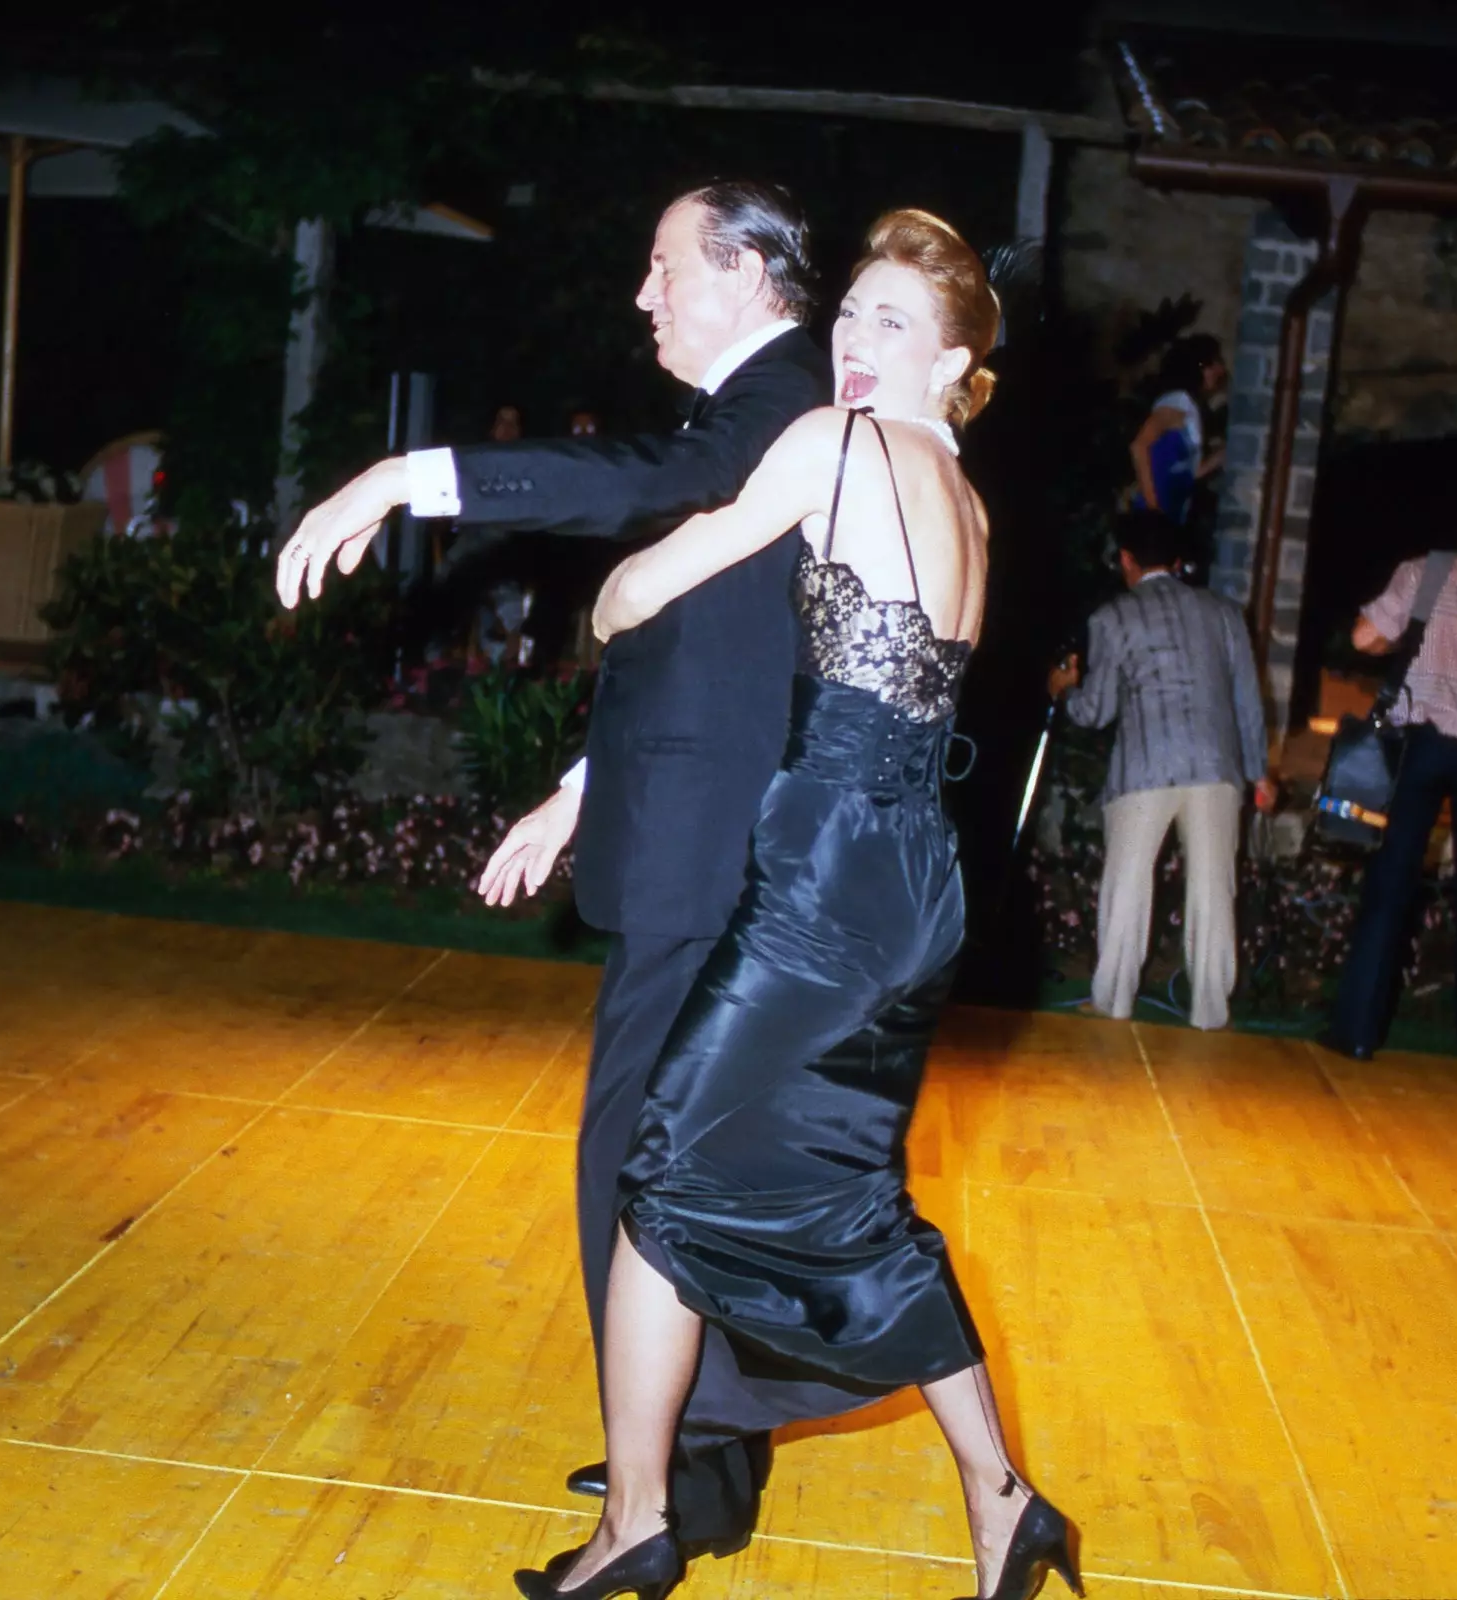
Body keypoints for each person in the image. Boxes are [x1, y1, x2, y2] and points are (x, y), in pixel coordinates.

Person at [513, 210, 1080, 1600]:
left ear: (955, 360)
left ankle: (639, 1522)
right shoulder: (970, 501)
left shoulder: (831, 445)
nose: (855, 345)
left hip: (827, 870)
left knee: (660, 1181)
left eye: (892, 323)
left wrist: (611, 599)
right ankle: (1002, 1501)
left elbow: (648, 584)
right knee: (847, 1196)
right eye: (848, 320)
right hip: (921, 880)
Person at [278, 180, 832, 1563]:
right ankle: (680, 1453)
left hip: (721, 852)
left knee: (654, 1156)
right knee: (664, 1150)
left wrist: (412, 475)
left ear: (756, 274)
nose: (641, 296)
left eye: (663, 267)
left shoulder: (783, 407)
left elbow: (640, 487)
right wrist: (574, 796)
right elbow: (695, 645)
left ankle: (686, 1470)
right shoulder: (750, 417)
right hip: (686, 830)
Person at [1049, 510, 1272, 1031]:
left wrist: (1063, 690)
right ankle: (1210, 1012)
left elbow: (1095, 711)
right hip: (1217, 769)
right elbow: (1247, 702)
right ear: (1175, 560)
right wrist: (1258, 772)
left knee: (1126, 886)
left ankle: (1114, 1001)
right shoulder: (1223, 612)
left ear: (1127, 559)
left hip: (1145, 768)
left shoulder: (1113, 617)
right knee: (1215, 891)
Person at [1323, 467, 1457, 1074]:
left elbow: (1366, 637)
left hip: (1422, 742)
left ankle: (1359, 1034)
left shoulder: (1430, 571)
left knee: (1391, 884)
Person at [1128, 333, 1227, 525]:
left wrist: (1220, 456)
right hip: (1154, 519)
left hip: (1172, 515)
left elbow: (1191, 471)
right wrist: (1152, 509)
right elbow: (1139, 446)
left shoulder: (1191, 408)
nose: (1219, 369)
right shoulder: (1177, 403)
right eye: (1210, 364)